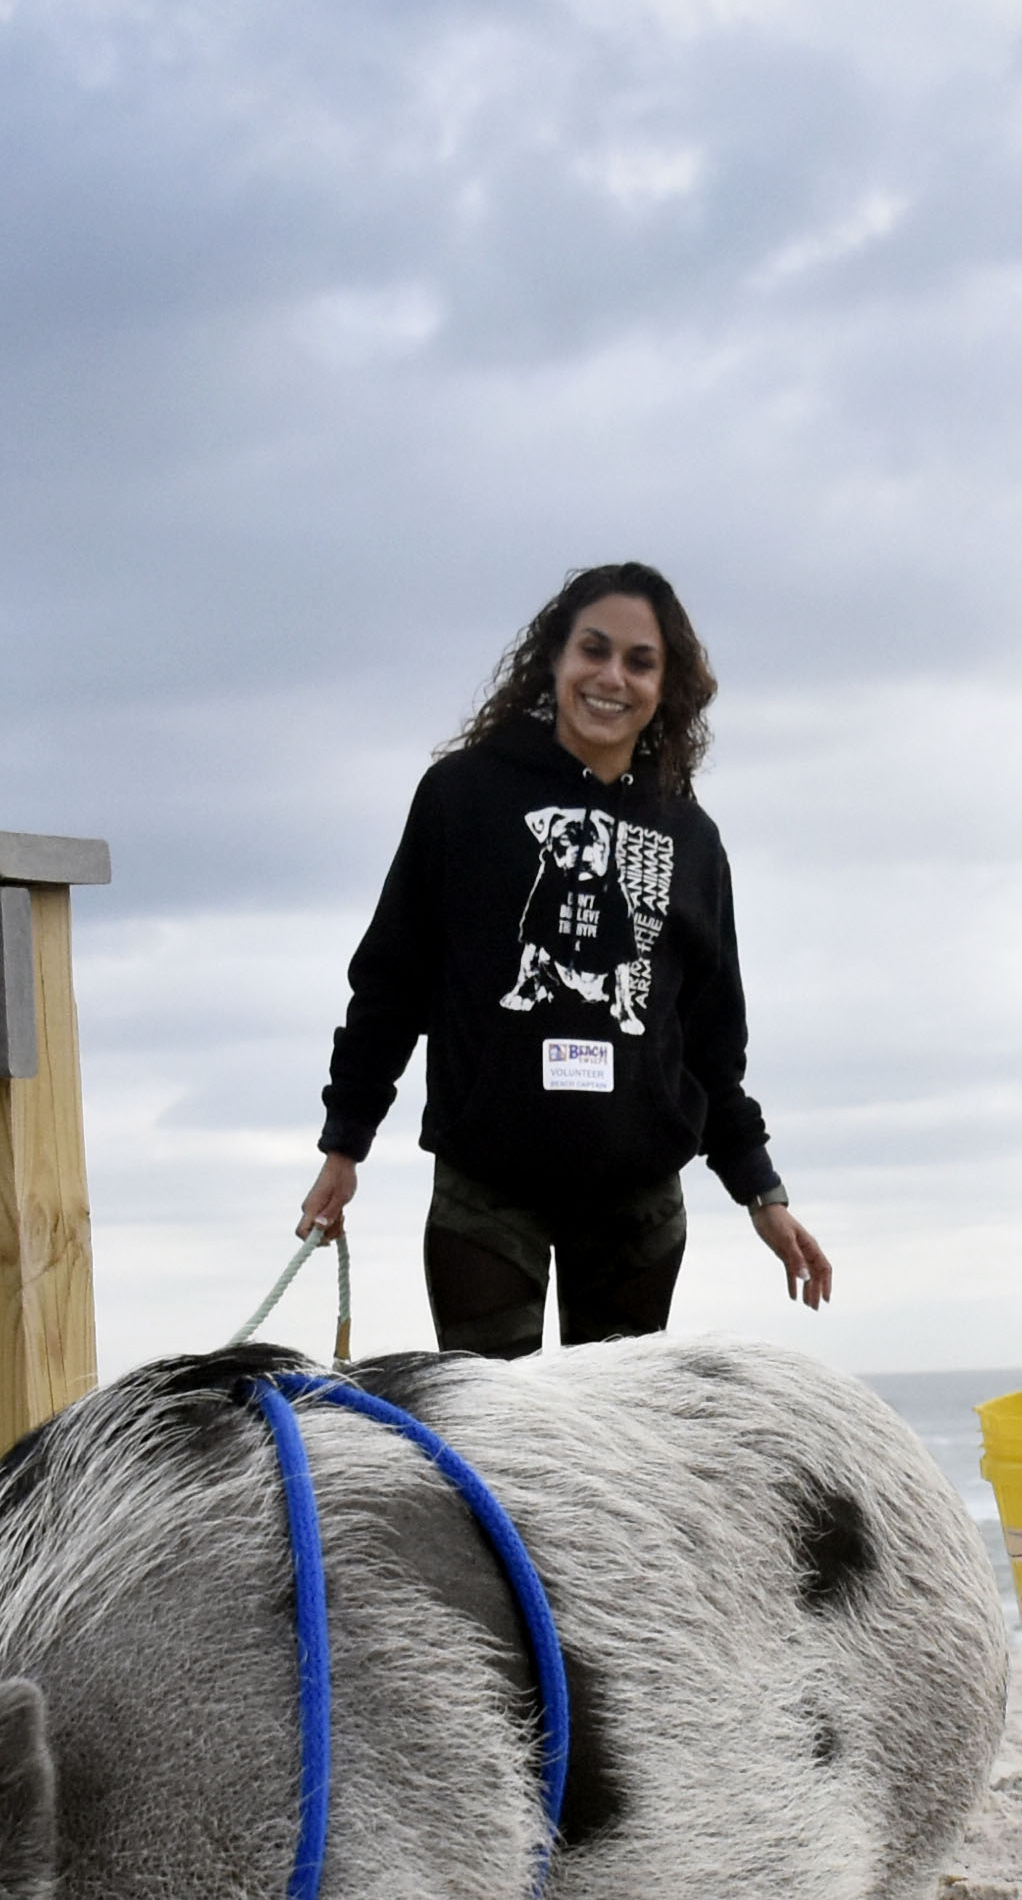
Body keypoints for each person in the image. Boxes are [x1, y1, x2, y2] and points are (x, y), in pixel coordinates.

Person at [304, 561, 829, 1359]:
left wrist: (762, 1191)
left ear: (665, 686)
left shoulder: (691, 839)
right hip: (487, 1188)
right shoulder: (461, 797)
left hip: (637, 1203)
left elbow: (713, 1045)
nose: (612, 677)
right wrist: (345, 1144)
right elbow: (391, 982)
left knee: (605, 1465)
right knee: (493, 1452)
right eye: (594, 649)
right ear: (555, 658)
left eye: (640, 661)